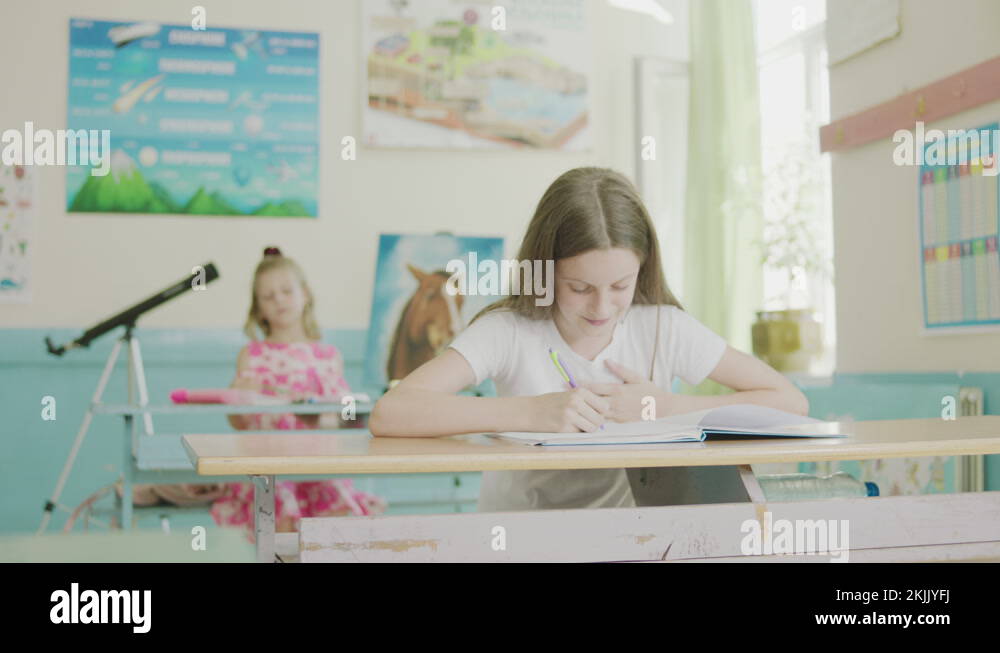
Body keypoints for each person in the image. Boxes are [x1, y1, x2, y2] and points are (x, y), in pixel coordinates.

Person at [369, 167, 808, 512]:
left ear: (643, 268)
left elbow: (789, 402)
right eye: (579, 288)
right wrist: (529, 412)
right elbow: (392, 412)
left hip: (634, 539)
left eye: (620, 286)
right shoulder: (508, 330)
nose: (601, 308)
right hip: (519, 542)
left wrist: (668, 408)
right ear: (544, 270)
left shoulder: (663, 327)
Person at [211, 246, 386, 539]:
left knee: (336, 536)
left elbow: (344, 418)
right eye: (268, 296)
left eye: (286, 291)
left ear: (305, 294)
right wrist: (237, 397)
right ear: (259, 309)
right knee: (278, 521)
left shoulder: (329, 355)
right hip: (269, 467)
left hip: (321, 467)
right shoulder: (253, 354)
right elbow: (237, 422)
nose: (279, 299)